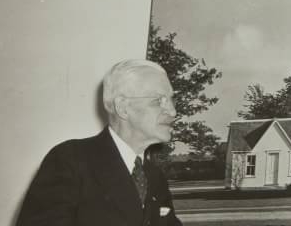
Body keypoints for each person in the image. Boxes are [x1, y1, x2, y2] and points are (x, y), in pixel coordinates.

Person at [16, 60, 183, 226]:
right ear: (123, 107)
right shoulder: (70, 160)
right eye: (159, 100)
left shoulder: (154, 177)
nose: (173, 111)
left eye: (171, 100)